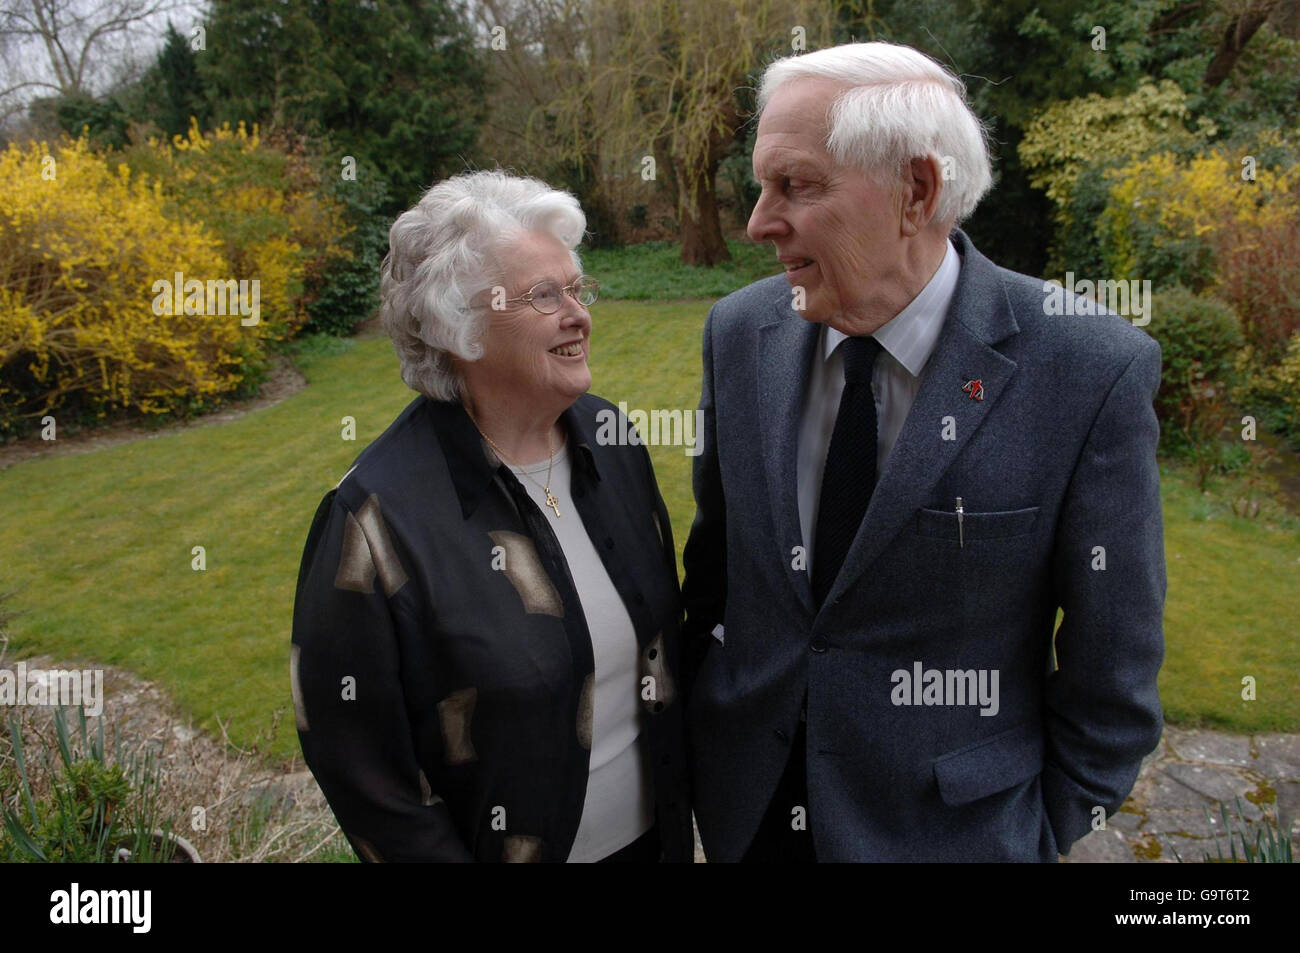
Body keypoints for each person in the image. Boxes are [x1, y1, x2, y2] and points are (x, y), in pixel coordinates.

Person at [681, 42, 1165, 862]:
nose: (760, 221)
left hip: (953, 835)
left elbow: (1111, 671)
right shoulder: (739, 333)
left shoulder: (1087, 368)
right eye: (762, 185)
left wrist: (1042, 830)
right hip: (747, 815)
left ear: (916, 190)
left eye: (794, 185)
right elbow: (719, 573)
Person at [291, 171, 691, 862]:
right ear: (460, 330)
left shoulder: (611, 439)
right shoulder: (376, 521)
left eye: (577, 287)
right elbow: (370, 781)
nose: (579, 314)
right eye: (546, 295)